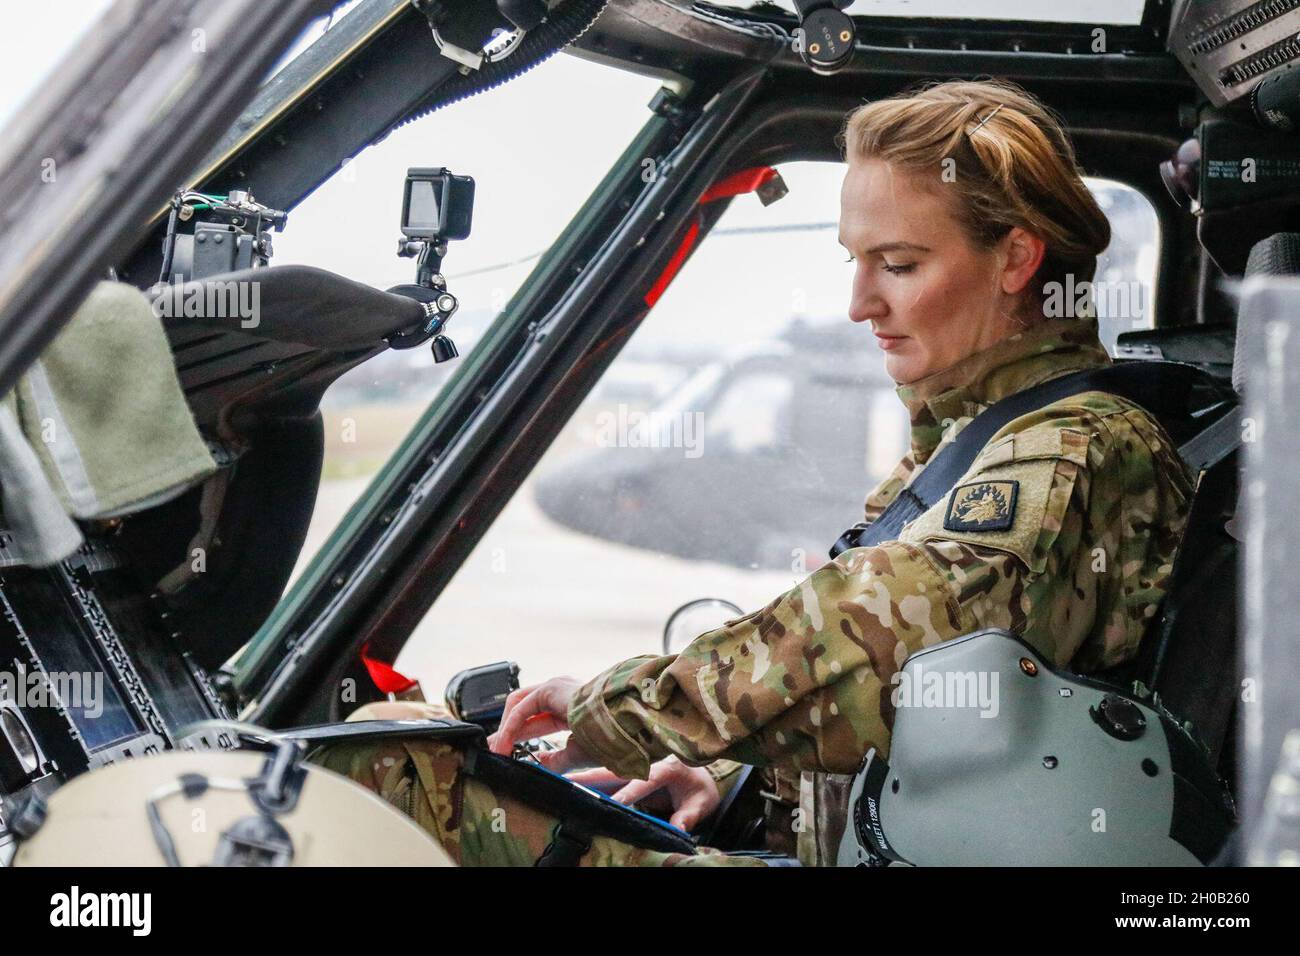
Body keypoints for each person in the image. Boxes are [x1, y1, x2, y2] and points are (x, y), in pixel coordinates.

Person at [308, 78, 1195, 866]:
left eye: (899, 265)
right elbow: (921, 728)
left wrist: (605, 710)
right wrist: (733, 779)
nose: (860, 304)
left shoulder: (1077, 448)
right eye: (856, 263)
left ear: (1014, 258)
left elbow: (866, 643)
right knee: (392, 751)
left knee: (385, 778)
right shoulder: (972, 439)